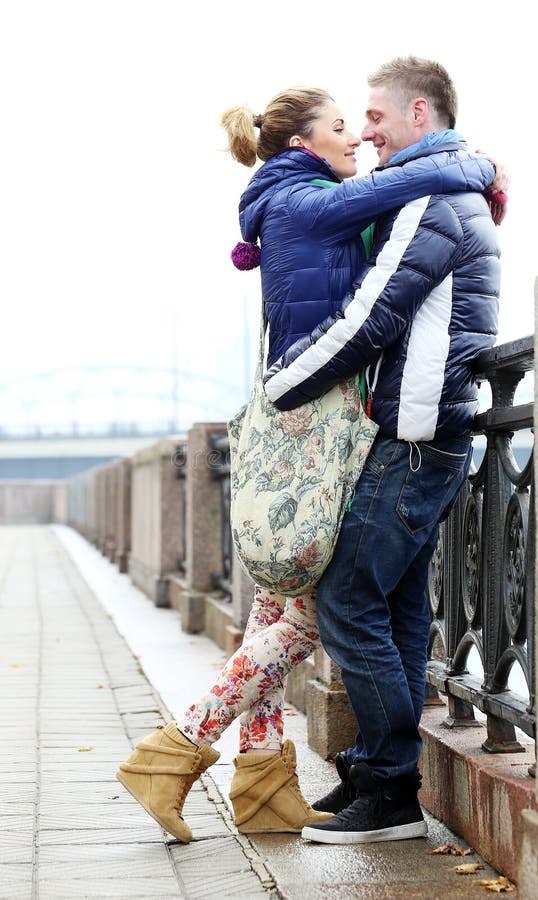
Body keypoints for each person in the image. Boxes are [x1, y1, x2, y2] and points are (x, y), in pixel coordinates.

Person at [116, 83, 503, 844]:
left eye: (364, 122)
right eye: (339, 125)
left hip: (312, 419)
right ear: (302, 143)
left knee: (279, 604)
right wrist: (473, 163)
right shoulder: (301, 202)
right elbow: (404, 190)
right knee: (299, 608)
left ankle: (260, 781)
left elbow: (390, 203)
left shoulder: (303, 194)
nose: (356, 136)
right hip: (312, 418)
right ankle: (177, 751)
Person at [263, 57, 503, 845]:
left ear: (420, 115)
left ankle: (392, 785)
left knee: (345, 597)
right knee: (395, 605)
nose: (365, 134)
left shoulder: (437, 200)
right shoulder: (443, 193)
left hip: (417, 435)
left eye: (375, 117)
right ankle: (379, 773)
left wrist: (282, 387)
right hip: (423, 431)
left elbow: (372, 316)